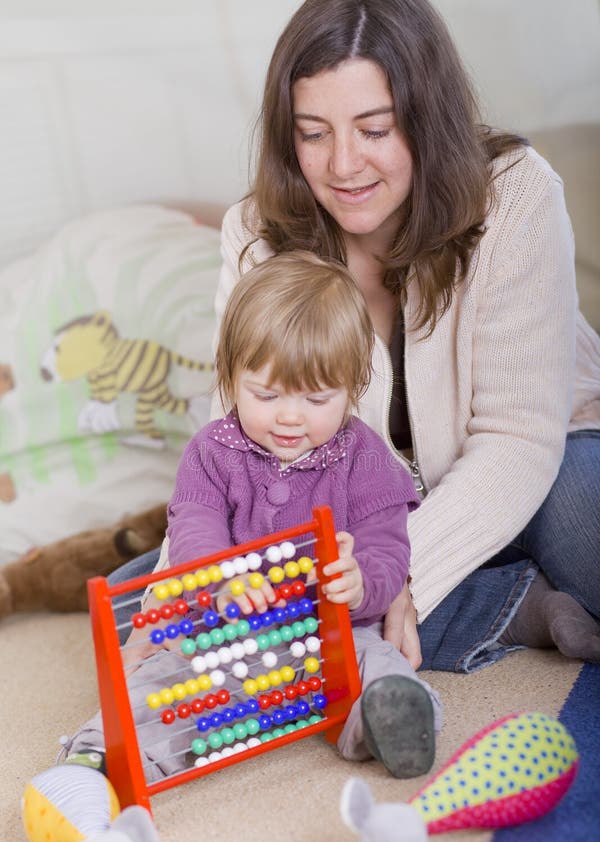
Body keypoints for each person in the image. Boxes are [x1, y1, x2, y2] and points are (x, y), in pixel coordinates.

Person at [109, 0, 600, 672]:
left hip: (546, 455)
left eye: (375, 129)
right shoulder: (253, 231)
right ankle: (517, 603)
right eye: (313, 134)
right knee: (138, 604)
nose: (343, 165)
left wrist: (405, 572)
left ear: (428, 120)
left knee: (587, 537)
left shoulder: (516, 194)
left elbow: (517, 439)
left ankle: (479, 590)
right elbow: (232, 439)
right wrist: (176, 595)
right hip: (345, 505)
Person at [66, 250, 442, 780]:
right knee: (164, 678)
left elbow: (387, 550)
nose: (289, 417)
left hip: (332, 636)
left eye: (317, 399)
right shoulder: (210, 453)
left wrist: (360, 584)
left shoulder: (368, 460)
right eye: (266, 394)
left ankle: (391, 722)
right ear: (230, 377)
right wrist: (223, 581)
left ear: (354, 387)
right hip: (227, 638)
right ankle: (98, 755)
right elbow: (194, 528)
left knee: (380, 665)